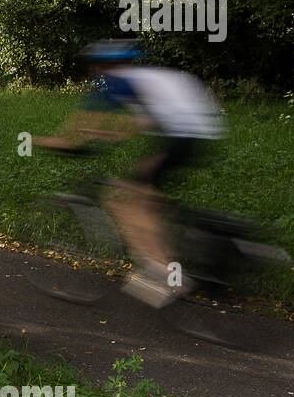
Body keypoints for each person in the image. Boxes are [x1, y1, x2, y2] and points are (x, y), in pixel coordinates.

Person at [36, 40, 225, 307]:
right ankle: (166, 260)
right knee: (143, 190)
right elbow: (143, 120)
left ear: (105, 65)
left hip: (179, 137)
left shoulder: (114, 81)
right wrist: (111, 136)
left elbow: (76, 132)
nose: (95, 73)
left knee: (123, 200)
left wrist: (40, 141)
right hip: (196, 134)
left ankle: (164, 273)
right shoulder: (145, 77)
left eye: (96, 67)